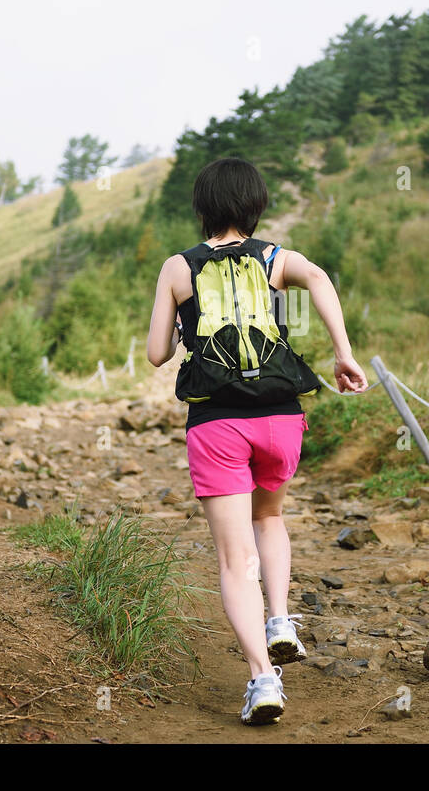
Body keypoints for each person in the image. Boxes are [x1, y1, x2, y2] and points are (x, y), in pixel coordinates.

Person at [146, 156, 367, 726]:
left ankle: (263, 679)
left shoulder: (178, 266)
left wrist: (179, 323)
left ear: (202, 208)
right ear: (255, 206)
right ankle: (281, 619)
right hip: (281, 417)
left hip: (217, 422)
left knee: (232, 556)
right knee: (269, 518)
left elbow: (156, 354)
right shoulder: (274, 257)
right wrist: (343, 354)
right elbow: (319, 278)